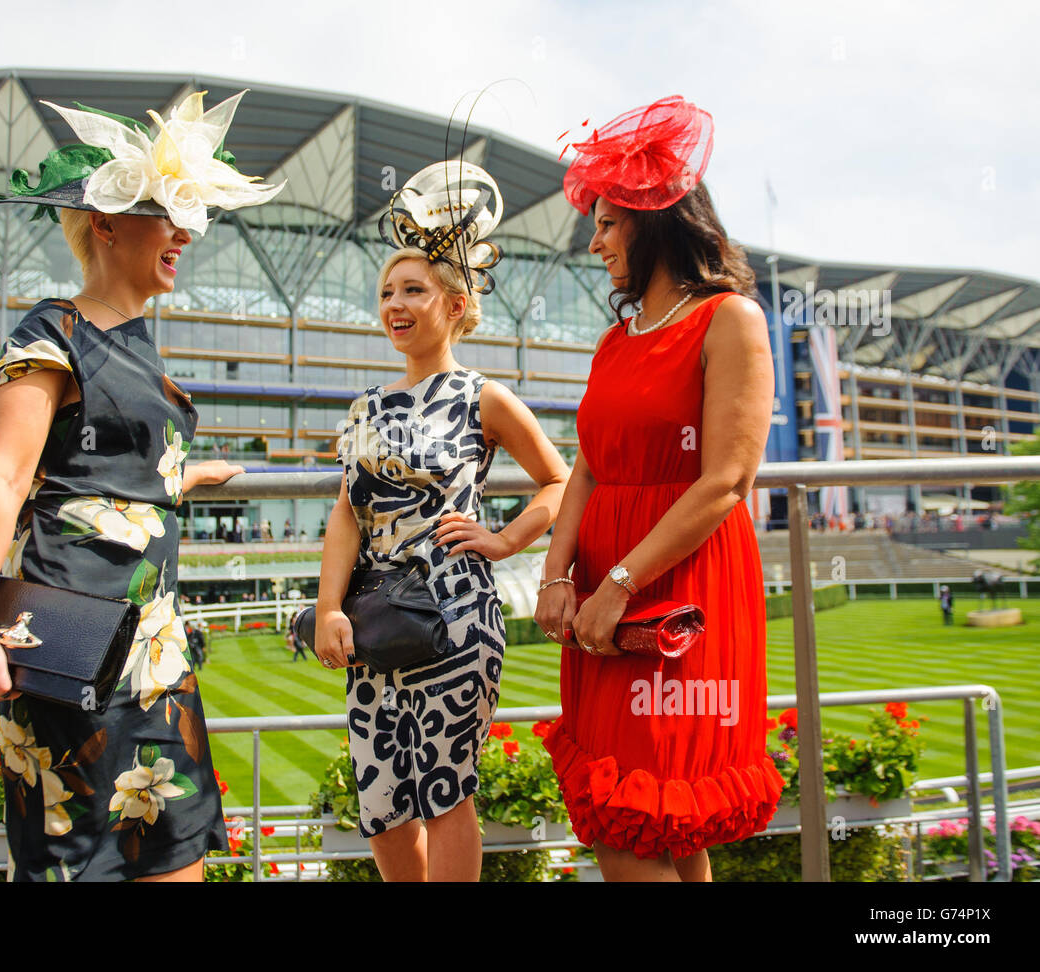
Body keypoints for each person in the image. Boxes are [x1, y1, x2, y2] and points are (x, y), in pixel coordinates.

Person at [0, 90, 280, 882]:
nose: (184, 235)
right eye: (166, 216)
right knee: (76, 863)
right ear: (106, 224)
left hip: (157, 656)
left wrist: (184, 477)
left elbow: (111, 473)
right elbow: (5, 473)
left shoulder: (139, 348)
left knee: (176, 852)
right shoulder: (50, 330)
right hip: (69, 649)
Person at [535, 96, 782, 882]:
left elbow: (726, 481)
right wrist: (555, 575)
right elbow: (589, 465)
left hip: (678, 587)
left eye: (608, 222)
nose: (594, 240)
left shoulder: (729, 320)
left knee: (635, 820)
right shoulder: (617, 338)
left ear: (655, 218)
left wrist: (617, 582)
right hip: (605, 583)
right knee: (657, 819)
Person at [314, 160, 569, 882]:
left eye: (413, 291)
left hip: (457, 615)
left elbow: (561, 479)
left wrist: (506, 540)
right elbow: (346, 513)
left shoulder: (481, 396)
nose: (395, 304)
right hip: (374, 617)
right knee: (382, 800)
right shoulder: (364, 406)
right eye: (387, 292)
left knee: (444, 791)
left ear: (454, 305)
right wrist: (328, 605)